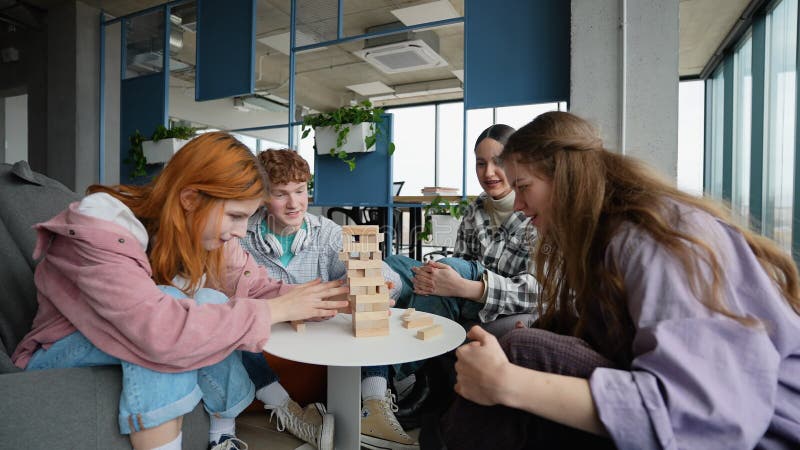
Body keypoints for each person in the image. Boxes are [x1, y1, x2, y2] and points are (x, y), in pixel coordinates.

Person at [437, 111, 800, 449]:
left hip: (762, 428)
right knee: (525, 342)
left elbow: (707, 415)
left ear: (564, 176)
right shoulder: (606, 237)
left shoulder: (656, 240)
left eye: (525, 186)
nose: (518, 204)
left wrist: (507, 383)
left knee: (521, 353)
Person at [10, 132, 350, 450]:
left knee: (212, 300)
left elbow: (255, 286)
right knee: (174, 312)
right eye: (234, 216)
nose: (241, 231)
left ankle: (222, 437)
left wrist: (333, 297)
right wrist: (276, 311)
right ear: (190, 198)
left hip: (128, 336)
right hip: (59, 349)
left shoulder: (207, 231)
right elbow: (158, 330)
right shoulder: (101, 230)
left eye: (247, 218)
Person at [238, 149, 412, 450]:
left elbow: (376, 269)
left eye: (300, 191)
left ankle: (374, 404)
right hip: (270, 346)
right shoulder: (242, 235)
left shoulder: (327, 232)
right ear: (264, 196)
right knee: (234, 319)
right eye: (281, 194)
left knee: (370, 308)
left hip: (323, 347)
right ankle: (288, 411)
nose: (294, 203)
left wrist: (382, 286)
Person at [383, 124, 538, 402]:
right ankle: (368, 351)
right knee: (395, 264)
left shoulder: (537, 209)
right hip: (465, 291)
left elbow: (540, 289)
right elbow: (462, 259)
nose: (488, 172)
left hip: (495, 299)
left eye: (498, 162)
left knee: (447, 273)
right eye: (481, 163)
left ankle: (392, 377)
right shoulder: (475, 209)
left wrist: (467, 286)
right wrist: (439, 274)